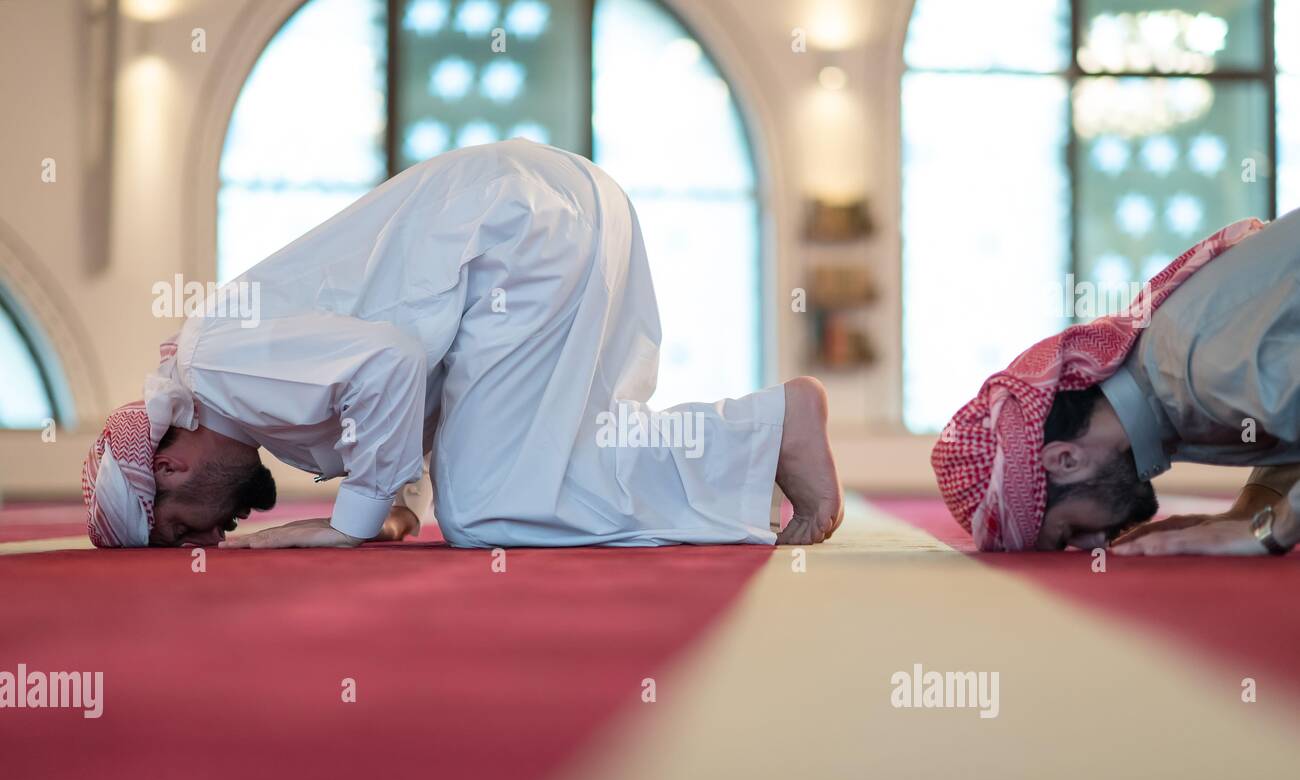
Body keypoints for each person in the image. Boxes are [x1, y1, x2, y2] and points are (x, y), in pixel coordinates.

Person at [81, 140, 843, 551]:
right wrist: (400, 501)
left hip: (515, 232)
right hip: (559, 206)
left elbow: (392, 360)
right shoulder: (235, 383)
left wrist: (348, 524)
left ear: (170, 466)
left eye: (185, 526)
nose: (215, 535)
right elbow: (406, 376)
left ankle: (769, 430)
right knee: (554, 461)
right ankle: (767, 434)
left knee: (485, 510)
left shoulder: (217, 366)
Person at [932, 213, 1300, 555]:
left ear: (1065, 459)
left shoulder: (1196, 365)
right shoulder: (1166, 380)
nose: (1093, 543)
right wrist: (1252, 509)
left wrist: (1272, 531)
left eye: (1068, 530)